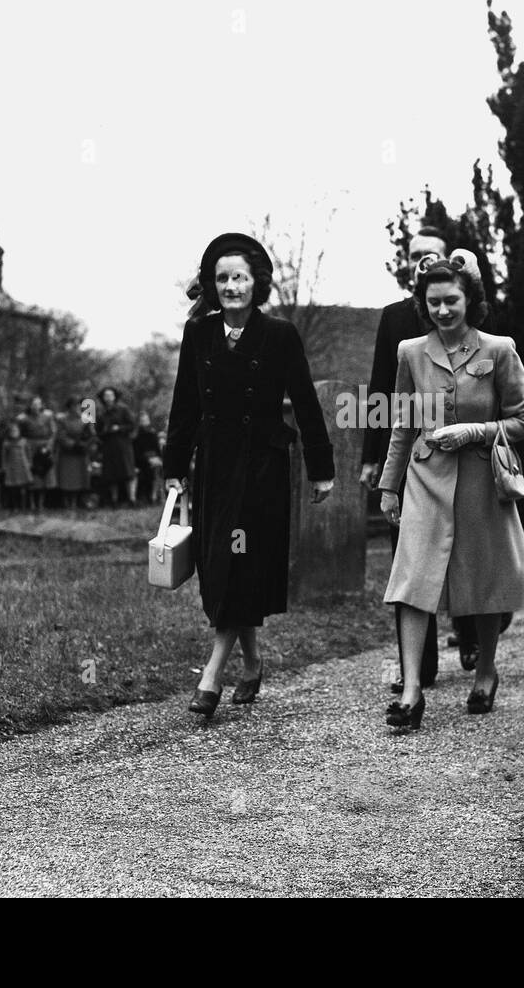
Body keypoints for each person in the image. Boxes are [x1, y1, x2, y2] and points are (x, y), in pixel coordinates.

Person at [164, 232, 335, 719]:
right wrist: (174, 467)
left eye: (239, 277)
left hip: (262, 468)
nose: (231, 286)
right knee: (219, 568)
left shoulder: (279, 335)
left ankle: (213, 674)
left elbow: (304, 399)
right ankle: (254, 660)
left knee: (241, 565)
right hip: (215, 466)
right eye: (222, 278)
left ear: (256, 282)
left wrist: (321, 469)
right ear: (212, 285)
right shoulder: (198, 335)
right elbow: (185, 403)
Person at [379, 250, 524, 730]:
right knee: (412, 581)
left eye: (452, 301)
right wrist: (389, 486)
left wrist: (474, 432)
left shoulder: (499, 349)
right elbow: (402, 424)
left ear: (470, 301)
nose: (443, 311)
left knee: (483, 579)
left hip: (480, 480)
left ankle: (485, 671)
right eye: (434, 302)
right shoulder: (410, 351)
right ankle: (411, 691)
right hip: (425, 480)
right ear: (423, 305)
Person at [360, 226, 481, 692]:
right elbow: (382, 393)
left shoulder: (461, 309)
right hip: (415, 454)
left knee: (463, 553)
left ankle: (470, 633)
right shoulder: (395, 319)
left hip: (463, 452)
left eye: (430, 255)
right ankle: (419, 667)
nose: (421, 262)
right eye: (414, 256)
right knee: (411, 559)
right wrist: (375, 460)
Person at [98, 387, 137, 506]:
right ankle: (114, 500)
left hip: (122, 444)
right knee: (111, 474)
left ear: (115, 396)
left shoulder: (123, 409)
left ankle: (132, 499)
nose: (108, 398)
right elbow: (97, 429)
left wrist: (119, 428)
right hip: (109, 445)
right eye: (106, 396)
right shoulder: (101, 412)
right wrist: (104, 430)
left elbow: (132, 425)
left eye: (110, 395)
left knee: (128, 472)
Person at [18, 396, 56, 511]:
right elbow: (19, 434)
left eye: (38, 404)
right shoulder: (23, 418)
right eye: (33, 404)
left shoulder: (48, 415)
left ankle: (41, 503)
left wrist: (49, 447)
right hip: (30, 447)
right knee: (32, 474)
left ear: (41, 405)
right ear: (30, 405)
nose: (35, 406)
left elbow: (53, 432)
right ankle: (31, 503)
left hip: (44, 446)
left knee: (44, 474)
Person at [55, 398, 94, 509]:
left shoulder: (86, 419)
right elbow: (60, 436)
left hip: (81, 453)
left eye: (78, 406)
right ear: (69, 407)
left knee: (80, 478)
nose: (76, 408)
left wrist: (86, 444)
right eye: (73, 406)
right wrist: (73, 444)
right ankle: (66, 501)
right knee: (67, 478)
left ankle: (77, 501)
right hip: (68, 453)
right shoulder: (62, 419)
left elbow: (92, 435)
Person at [0, 421, 32, 510]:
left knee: (23, 488)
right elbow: (4, 456)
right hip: (11, 467)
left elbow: (29, 453)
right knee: (13, 489)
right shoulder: (6, 443)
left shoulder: (24, 441)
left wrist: (29, 464)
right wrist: (4, 467)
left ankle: (24, 506)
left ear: (19, 432)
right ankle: (15, 506)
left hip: (23, 466)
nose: (14, 432)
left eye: (16, 431)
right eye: (12, 431)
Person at [134, 410, 162, 504]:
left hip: (154, 459)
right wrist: (148, 459)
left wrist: (158, 458)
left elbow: (157, 449)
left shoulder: (153, 434)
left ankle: (155, 496)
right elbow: (137, 453)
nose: (144, 422)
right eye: (142, 420)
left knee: (157, 468)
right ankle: (152, 496)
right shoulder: (137, 436)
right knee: (153, 469)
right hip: (141, 461)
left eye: (146, 420)